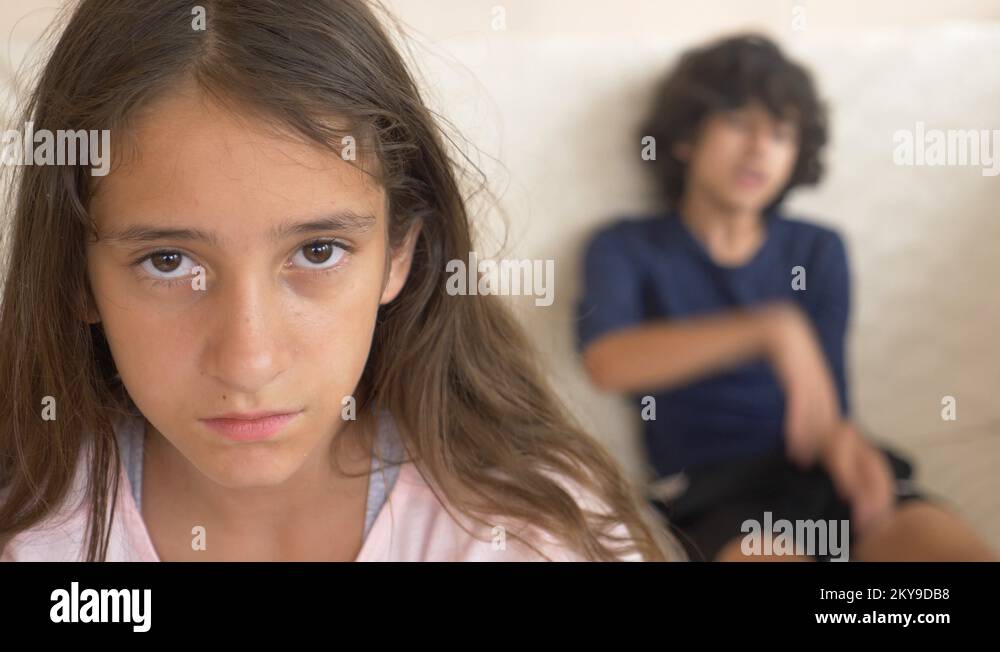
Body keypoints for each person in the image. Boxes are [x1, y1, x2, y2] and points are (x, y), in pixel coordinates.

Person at [0, 0, 676, 562]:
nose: (249, 361)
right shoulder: (29, 532)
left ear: (398, 256)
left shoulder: (530, 536)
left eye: (318, 251)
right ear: (76, 278)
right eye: (169, 262)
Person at [576, 34, 997, 561]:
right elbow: (607, 362)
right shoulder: (626, 247)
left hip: (825, 474)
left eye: (781, 133)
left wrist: (844, 438)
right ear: (684, 138)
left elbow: (827, 397)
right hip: (716, 494)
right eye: (738, 123)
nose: (760, 148)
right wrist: (770, 330)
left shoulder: (817, 249)